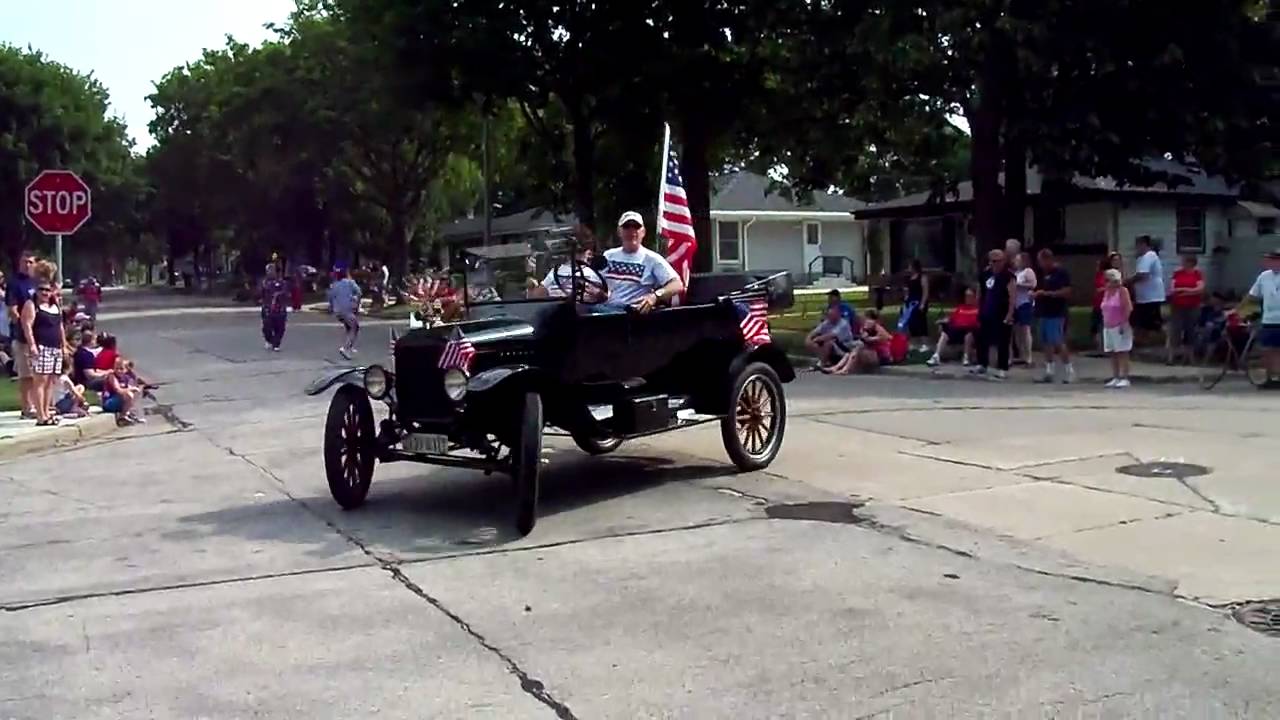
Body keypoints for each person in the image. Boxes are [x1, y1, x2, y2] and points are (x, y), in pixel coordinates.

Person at [599, 211, 684, 313]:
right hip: (604, 310)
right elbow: (594, 281)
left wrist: (655, 296)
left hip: (632, 314)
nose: (632, 231)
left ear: (643, 232)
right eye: (627, 227)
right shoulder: (608, 256)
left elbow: (677, 284)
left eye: (636, 227)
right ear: (619, 231)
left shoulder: (651, 259)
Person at [26, 282, 66, 426]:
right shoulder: (32, 305)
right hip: (41, 347)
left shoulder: (55, 306)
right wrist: (32, 346)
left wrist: (64, 345)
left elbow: (60, 326)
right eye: (41, 289)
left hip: (55, 347)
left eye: (47, 290)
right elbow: (27, 326)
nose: (44, 292)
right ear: (36, 290)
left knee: (50, 381)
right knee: (40, 381)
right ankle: (40, 416)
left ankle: (47, 412)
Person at [973, 250, 1017, 380]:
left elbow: (1012, 296)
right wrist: (977, 308)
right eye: (991, 261)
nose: (993, 264)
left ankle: (1002, 368)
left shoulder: (1008, 276)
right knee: (982, 338)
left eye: (996, 261)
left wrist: (1010, 313)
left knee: (1002, 341)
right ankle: (982, 363)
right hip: (986, 311)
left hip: (1001, 312)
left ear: (1003, 261)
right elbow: (979, 291)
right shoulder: (985, 274)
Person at [1033, 249, 1075, 383]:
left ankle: (1069, 371)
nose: (1040, 265)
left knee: (1058, 341)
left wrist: (1048, 294)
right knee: (1046, 342)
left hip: (1056, 312)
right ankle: (1049, 370)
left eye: (1041, 261)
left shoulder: (1061, 273)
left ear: (1048, 259)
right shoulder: (1043, 274)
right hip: (1043, 312)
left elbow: (1067, 292)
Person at [5, 250, 38, 418]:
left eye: (31, 262)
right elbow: (12, 310)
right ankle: (27, 408)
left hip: (39, 335)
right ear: (19, 263)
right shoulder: (14, 283)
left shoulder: (37, 282)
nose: (28, 265)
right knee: (26, 374)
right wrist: (23, 326)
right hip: (21, 335)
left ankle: (39, 404)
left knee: (38, 374)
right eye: (25, 262)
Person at [1242, 249, 1280, 387]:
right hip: (1269, 319)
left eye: (1273, 260)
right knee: (1267, 349)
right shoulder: (1264, 276)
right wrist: (1239, 309)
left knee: (1277, 351)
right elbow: (1252, 295)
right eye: (1268, 260)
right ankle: (1271, 378)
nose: (1270, 262)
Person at [826, 310, 892, 374]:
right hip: (872, 353)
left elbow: (886, 338)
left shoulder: (878, 328)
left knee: (857, 350)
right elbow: (864, 338)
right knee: (849, 353)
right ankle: (836, 368)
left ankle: (846, 369)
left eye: (865, 318)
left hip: (881, 356)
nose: (863, 320)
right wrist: (864, 334)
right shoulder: (865, 328)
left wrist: (870, 338)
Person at [927, 286, 980, 367]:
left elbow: (979, 322)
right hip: (957, 329)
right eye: (966, 296)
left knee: (969, 334)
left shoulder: (978, 309)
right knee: (945, 333)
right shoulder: (961, 307)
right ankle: (936, 356)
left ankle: (966, 358)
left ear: (975, 297)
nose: (967, 298)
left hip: (970, 330)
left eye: (970, 296)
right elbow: (951, 319)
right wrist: (942, 321)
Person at [1166, 254, 1205, 365]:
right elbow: (1173, 289)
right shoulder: (1177, 273)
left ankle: (1190, 358)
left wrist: (1184, 290)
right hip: (1177, 305)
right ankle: (1171, 357)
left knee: (1190, 330)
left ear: (1191, 262)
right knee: (1175, 330)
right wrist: (1189, 291)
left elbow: (1200, 289)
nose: (1183, 263)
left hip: (1192, 306)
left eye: (1185, 261)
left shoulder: (1197, 274)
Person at [1100, 268, 1134, 388]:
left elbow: (1128, 308)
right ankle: (1115, 377)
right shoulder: (1107, 292)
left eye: (1108, 280)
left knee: (1122, 352)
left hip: (1120, 326)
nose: (1106, 283)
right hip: (1108, 326)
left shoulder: (1123, 291)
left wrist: (1123, 324)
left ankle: (1125, 377)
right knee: (1112, 352)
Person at [1129, 235, 1166, 345]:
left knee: (1150, 323)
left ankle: (1164, 342)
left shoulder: (1149, 256)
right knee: (1141, 322)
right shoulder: (1143, 258)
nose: (1136, 248)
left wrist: (1128, 282)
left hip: (1150, 297)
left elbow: (1143, 275)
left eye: (1138, 245)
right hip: (1144, 297)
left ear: (1144, 244)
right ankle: (1142, 343)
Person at [328, 266, 363, 359]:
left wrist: (331, 308)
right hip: (348, 310)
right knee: (355, 327)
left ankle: (350, 346)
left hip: (338, 311)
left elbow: (330, 297)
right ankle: (345, 348)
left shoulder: (334, 285)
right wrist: (357, 302)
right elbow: (359, 292)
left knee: (349, 327)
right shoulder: (350, 283)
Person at [805, 304, 856, 368]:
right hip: (834, 345)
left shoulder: (843, 323)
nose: (829, 317)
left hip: (845, 345)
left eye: (832, 315)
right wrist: (809, 338)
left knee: (829, 342)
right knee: (811, 342)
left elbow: (832, 335)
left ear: (838, 314)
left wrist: (818, 339)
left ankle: (822, 363)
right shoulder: (827, 322)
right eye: (829, 315)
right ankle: (825, 361)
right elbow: (815, 331)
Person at [1092, 253, 1123, 353]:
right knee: (1101, 325)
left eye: (1118, 260)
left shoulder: (1120, 274)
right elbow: (1098, 288)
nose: (1117, 262)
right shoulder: (1103, 274)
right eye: (1114, 260)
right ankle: (1103, 348)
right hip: (1103, 303)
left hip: (1116, 304)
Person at [1012, 252, 1037, 365]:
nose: (1015, 262)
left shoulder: (1028, 271)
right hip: (1015, 303)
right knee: (1016, 330)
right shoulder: (1015, 273)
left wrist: (1020, 285)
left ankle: (1029, 356)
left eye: (1017, 260)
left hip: (1024, 302)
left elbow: (1033, 284)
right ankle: (1021, 353)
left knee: (1025, 329)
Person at [260, 265, 290, 352]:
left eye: (272, 270)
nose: (270, 272)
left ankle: (276, 344)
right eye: (268, 270)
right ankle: (269, 340)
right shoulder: (264, 282)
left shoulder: (282, 282)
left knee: (280, 327)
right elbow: (261, 294)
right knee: (267, 327)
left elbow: (286, 292)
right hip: (268, 308)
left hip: (280, 308)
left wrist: (279, 294)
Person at [902, 259, 930, 345]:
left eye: (910, 266)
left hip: (919, 302)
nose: (909, 268)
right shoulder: (909, 278)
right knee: (911, 323)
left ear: (914, 267)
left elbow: (925, 291)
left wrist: (922, 304)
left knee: (921, 323)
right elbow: (907, 291)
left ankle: (924, 343)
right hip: (910, 302)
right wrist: (905, 298)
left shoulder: (922, 277)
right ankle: (915, 343)